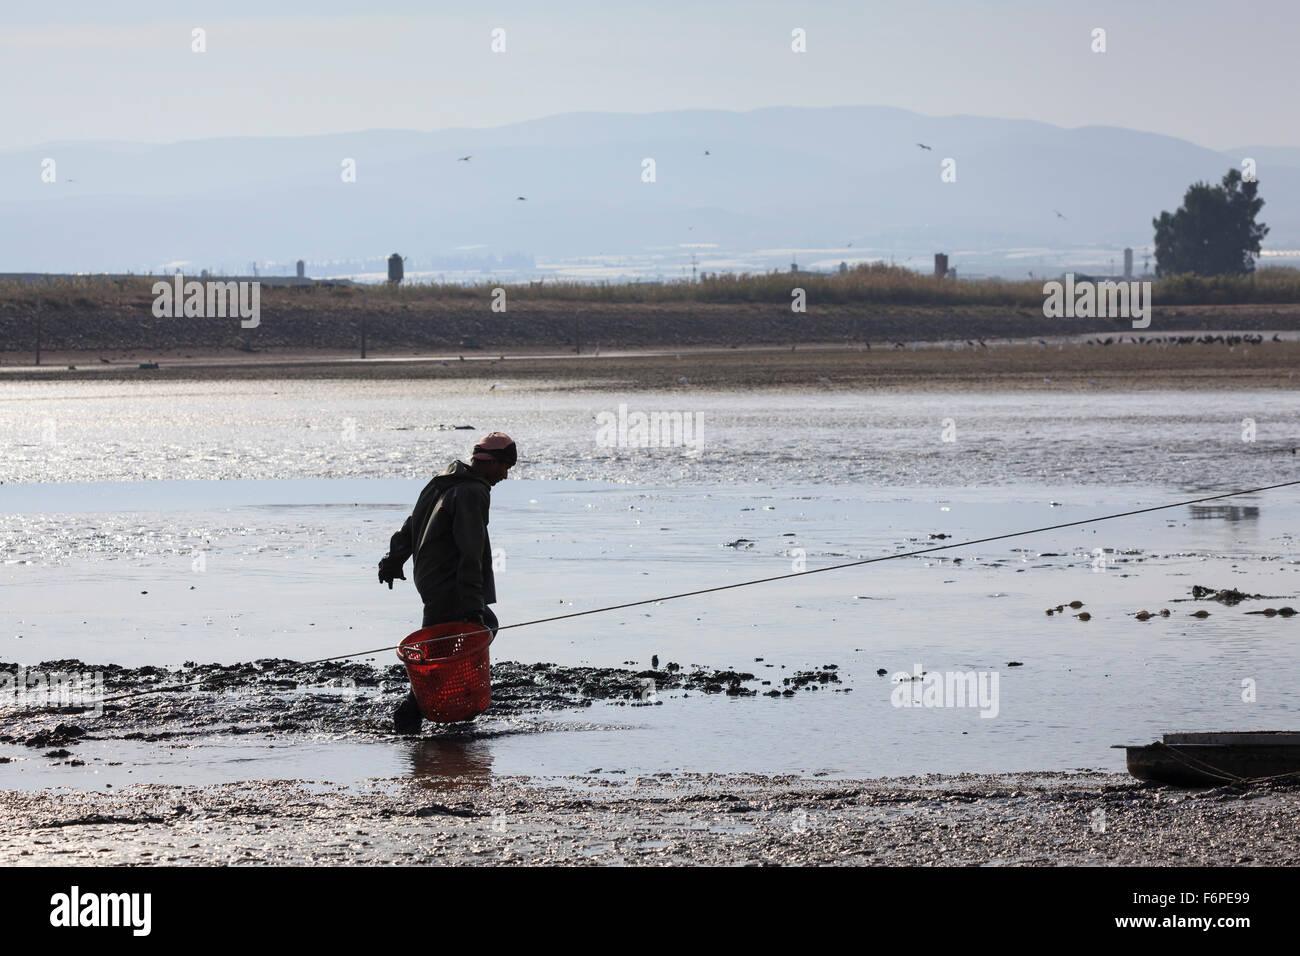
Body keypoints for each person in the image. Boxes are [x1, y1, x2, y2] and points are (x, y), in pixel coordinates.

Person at [378, 432, 516, 732]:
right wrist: (471, 605)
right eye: (504, 467)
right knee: (468, 634)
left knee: (460, 639)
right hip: (449, 583)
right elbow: (470, 551)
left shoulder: (444, 480)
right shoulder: (472, 492)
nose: (506, 475)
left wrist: (392, 560)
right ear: (488, 462)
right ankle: (412, 711)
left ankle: (451, 713)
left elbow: (411, 524)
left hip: (430, 579)